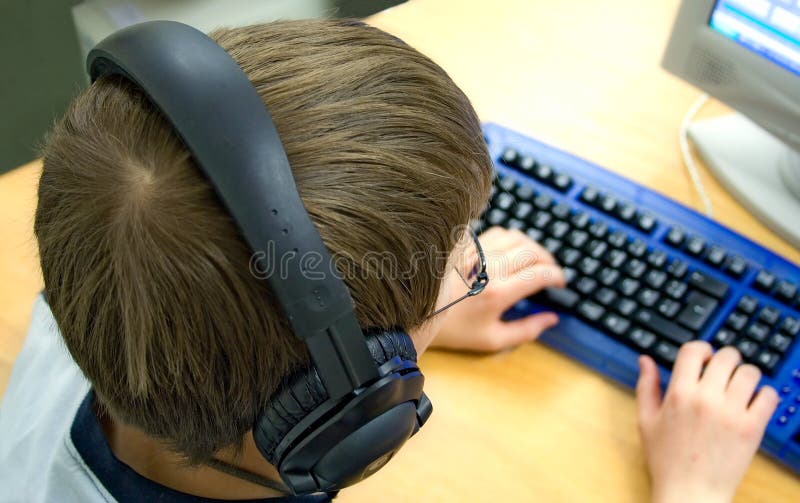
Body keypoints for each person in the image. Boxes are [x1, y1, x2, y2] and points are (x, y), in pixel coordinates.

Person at [0, 19, 778, 503]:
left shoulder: (84, 321)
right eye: (461, 257)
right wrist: (693, 491)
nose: (475, 261)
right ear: (346, 418)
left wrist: (404, 307)